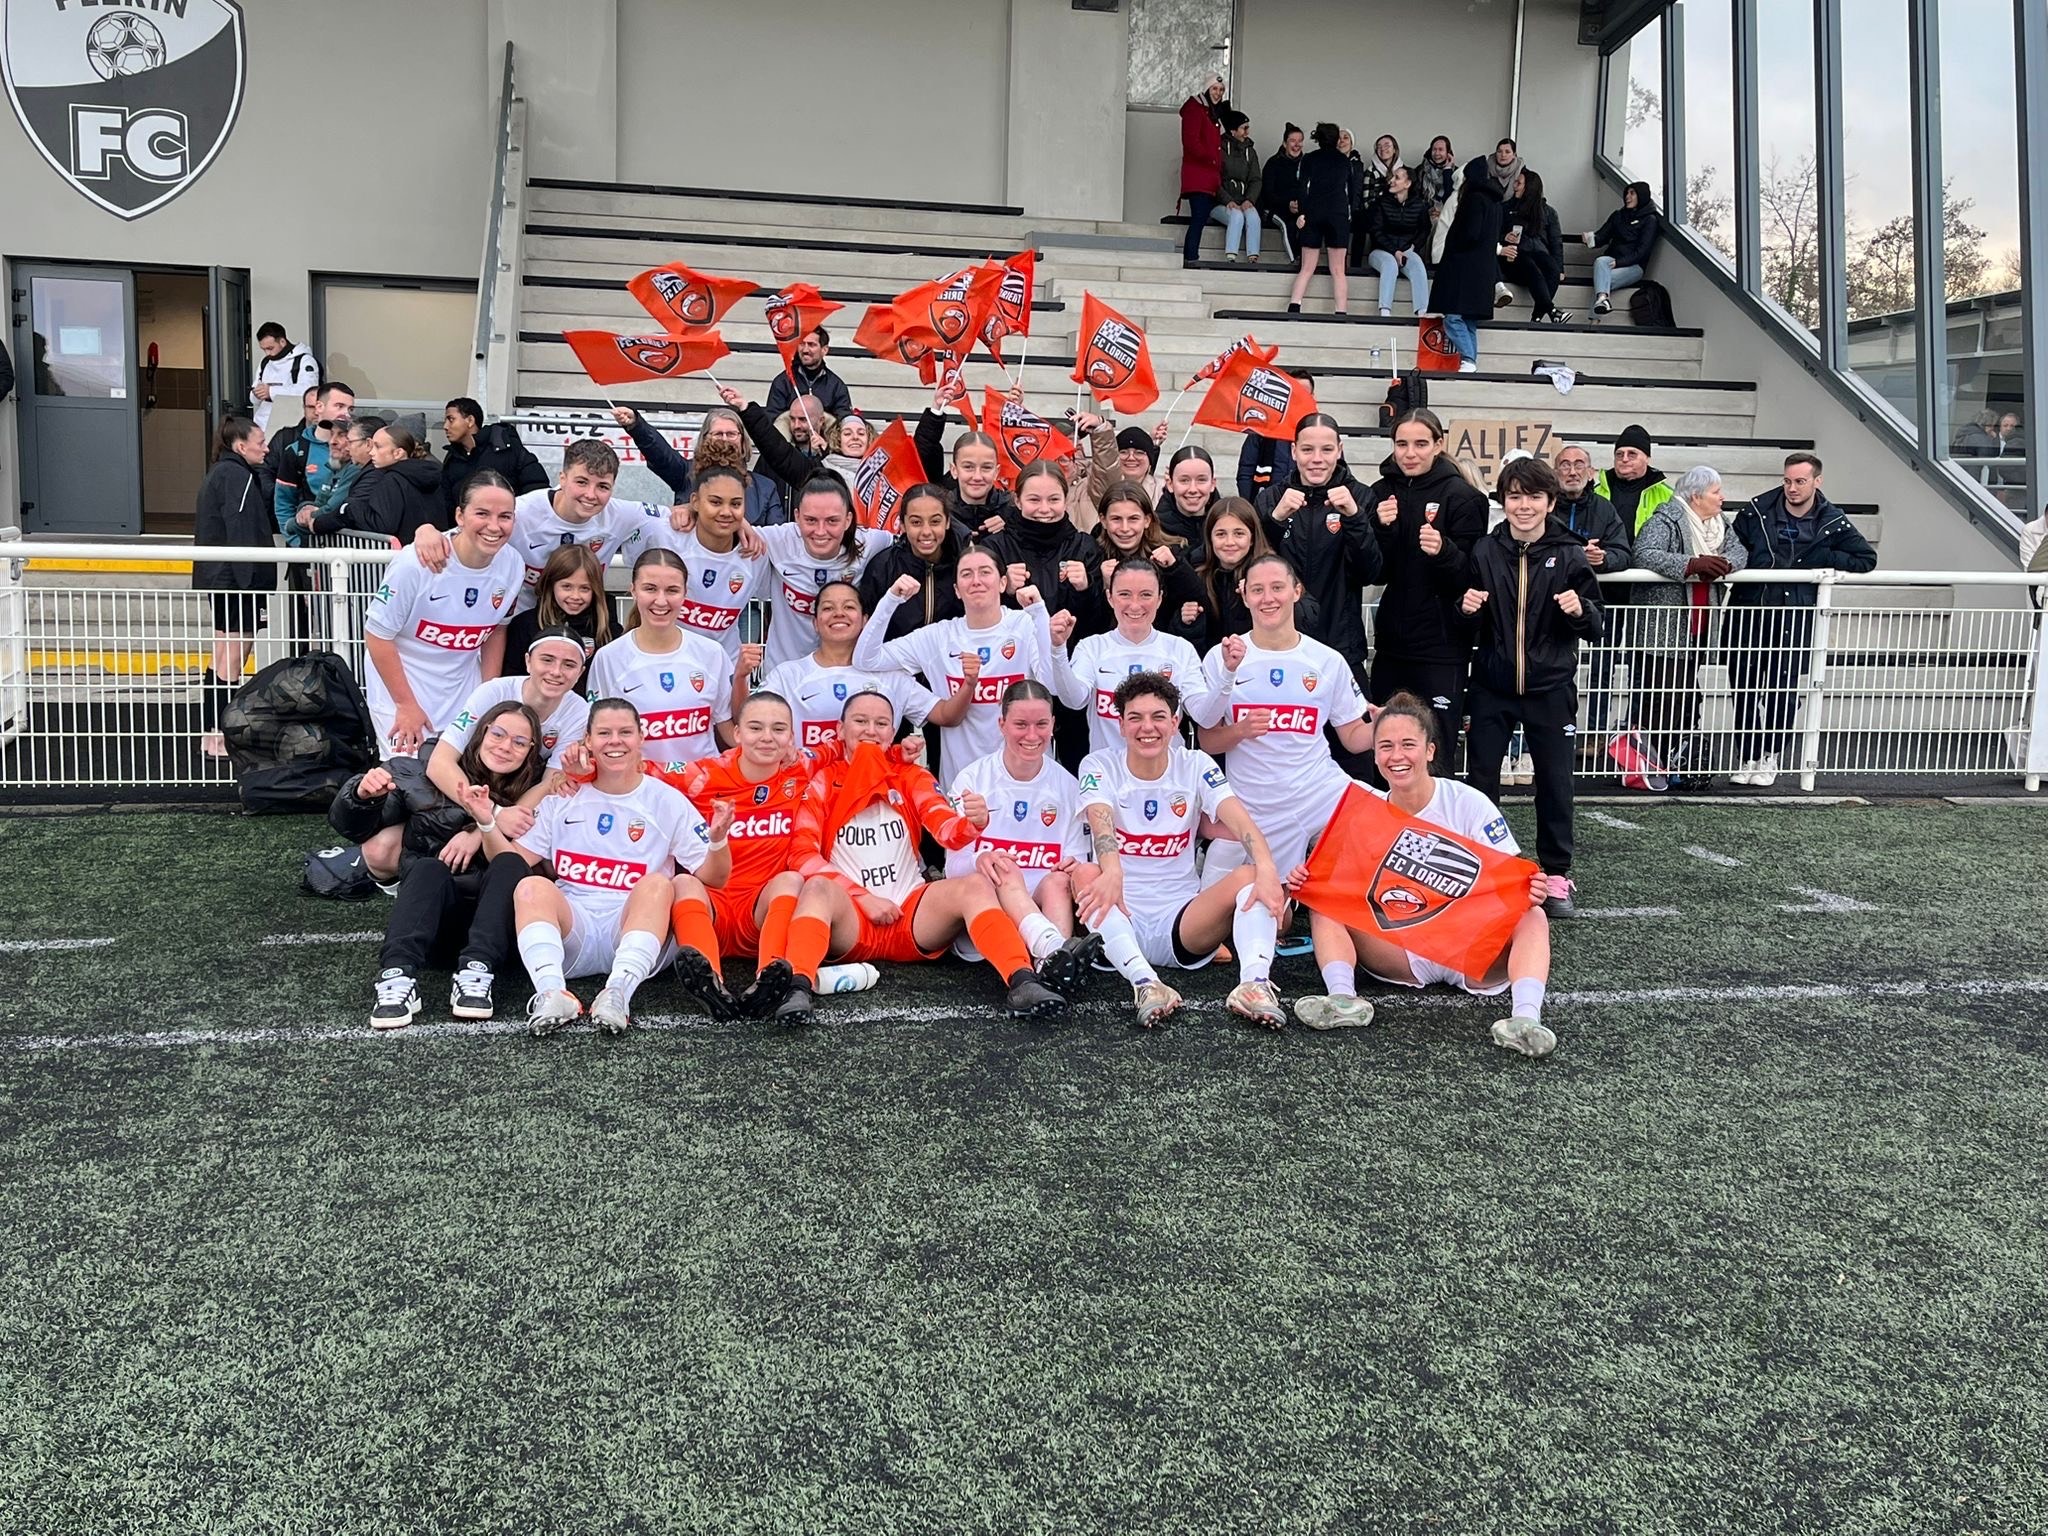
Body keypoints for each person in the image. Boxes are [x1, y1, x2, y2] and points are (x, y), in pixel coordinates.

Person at [1287, 693, 1558, 1057]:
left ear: (1430, 751)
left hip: (1469, 950)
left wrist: (1532, 887)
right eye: (1385, 746)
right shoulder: (1362, 813)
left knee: (1533, 915)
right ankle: (1342, 999)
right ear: (1375, 755)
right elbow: (1343, 888)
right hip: (1401, 950)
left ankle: (1526, 1019)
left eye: (1407, 745)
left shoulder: (1468, 802)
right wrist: (1308, 881)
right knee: (1324, 902)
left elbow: (1511, 879)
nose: (1396, 756)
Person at [781, 691, 1070, 1021]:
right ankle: (797, 987)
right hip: (851, 920)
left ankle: (1022, 980)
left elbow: (946, 830)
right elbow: (801, 855)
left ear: (892, 732)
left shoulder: (910, 775)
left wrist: (974, 824)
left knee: (974, 885)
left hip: (910, 915)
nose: (871, 730)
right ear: (840, 729)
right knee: (815, 887)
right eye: (860, 721)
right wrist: (862, 897)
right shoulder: (822, 781)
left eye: (881, 723)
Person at [1072, 672, 1291, 1029]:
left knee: (1255, 874)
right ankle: (1146, 984)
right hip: (1120, 914)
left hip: (1183, 923)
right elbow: (1101, 823)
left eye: (1159, 717)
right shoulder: (1098, 764)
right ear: (1121, 724)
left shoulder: (1196, 764)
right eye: (1136, 718)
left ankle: (1254, 983)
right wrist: (1111, 869)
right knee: (1085, 873)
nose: (1148, 728)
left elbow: (1241, 822)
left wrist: (1267, 867)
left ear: (1175, 723)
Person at [509, 699, 734, 1035]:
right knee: (530, 886)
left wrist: (718, 840)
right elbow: (511, 862)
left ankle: (618, 995)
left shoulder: (665, 800)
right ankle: (552, 992)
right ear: (587, 740)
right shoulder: (564, 795)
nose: (615, 741)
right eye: (604, 733)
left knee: (658, 883)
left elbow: (715, 877)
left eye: (625, 732)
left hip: (635, 928)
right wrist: (484, 823)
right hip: (575, 930)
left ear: (641, 738)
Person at [339, 700, 548, 1029]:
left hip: (500, 934)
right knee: (427, 866)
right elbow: (353, 828)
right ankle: (397, 976)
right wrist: (362, 796)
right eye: (498, 734)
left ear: (531, 753)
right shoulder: (420, 776)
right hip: (436, 923)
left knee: (511, 863)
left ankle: (477, 973)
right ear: (479, 735)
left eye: (520, 742)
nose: (506, 746)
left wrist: (484, 827)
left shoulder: (539, 795)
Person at [1459, 457, 1604, 918]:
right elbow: (1465, 622)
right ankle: (1486, 868)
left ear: (1550, 501)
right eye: (1515, 496)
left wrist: (1579, 608)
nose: (1524, 506)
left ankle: (1556, 873)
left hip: (1550, 686)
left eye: (1534, 496)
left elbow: (1596, 625)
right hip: (1491, 684)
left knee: (1556, 782)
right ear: (1503, 500)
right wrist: (1467, 609)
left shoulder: (1571, 552)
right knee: (1481, 782)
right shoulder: (1484, 550)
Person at [1191, 553, 1377, 884]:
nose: (1268, 598)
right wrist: (1240, 731)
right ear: (1244, 594)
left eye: (1277, 587)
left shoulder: (1327, 660)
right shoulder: (1224, 657)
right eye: (1258, 589)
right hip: (1255, 804)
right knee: (1268, 914)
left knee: (1390, 824)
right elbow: (1207, 740)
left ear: (1296, 590)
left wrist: (1387, 725)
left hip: (1320, 792)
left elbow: (1352, 736)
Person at [655, 691, 815, 1019]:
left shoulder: (801, 770)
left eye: (778, 729)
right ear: (737, 733)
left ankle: (770, 978)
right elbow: (635, 769)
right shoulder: (704, 775)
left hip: (761, 913)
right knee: (684, 882)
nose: (767, 737)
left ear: (791, 737)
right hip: (711, 909)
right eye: (756, 728)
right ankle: (709, 980)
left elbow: (846, 750)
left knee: (791, 879)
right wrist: (580, 770)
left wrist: (903, 753)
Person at [1727, 452, 1876, 787]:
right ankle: (1748, 755)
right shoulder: (1757, 510)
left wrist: (1822, 559)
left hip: (1795, 616)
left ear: (1816, 481)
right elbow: (1732, 546)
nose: (1792, 488)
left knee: (1782, 690)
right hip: (1750, 609)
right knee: (1744, 687)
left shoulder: (1832, 519)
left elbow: (1866, 559)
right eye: (1787, 480)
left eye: (1800, 481)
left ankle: (1771, 757)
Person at [853, 547, 1058, 785]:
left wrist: (1040, 613)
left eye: (985, 572)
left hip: (1027, 781)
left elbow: (1050, 684)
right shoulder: (938, 637)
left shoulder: (1025, 623)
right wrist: (891, 600)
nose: (976, 581)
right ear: (957, 591)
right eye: (966, 574)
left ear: (1003, 583)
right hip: (963, 785)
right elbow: (866, 659)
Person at [361, 471, 525, 754]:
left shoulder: (513, 565)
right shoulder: (417, 563)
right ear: (460, 516)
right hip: (404, 688)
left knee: (460, 779)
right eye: (482, 514)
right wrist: (405, 705)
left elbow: (497, 630)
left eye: (505, 517)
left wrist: (487, 693)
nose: (494, 526)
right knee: (407, 781)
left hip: (460, 689)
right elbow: (377, 636)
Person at [946, 682, 1098, 986]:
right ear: (1001, 724)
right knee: (1004, 867)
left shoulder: (1068, 786)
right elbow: (952, 869)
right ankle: (1053, 949)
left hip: (1044, 907)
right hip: (988, 918)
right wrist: (980, 858)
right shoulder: (973, 780)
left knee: (1057, 880)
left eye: (1041, 724)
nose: (1032, 735)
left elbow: (1075, 865)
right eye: (1020, 724)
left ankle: (1052, 962)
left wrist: (1074, 868)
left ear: (1053, 725)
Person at [1366, 409, 1491, 763]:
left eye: (1421, 443)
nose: (1410, 453)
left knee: (1435, 747)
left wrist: (1444, 551)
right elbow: (1376, 573)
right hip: (1391, 645)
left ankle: (1435, 819)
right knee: (1386, 742)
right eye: (1402, 444)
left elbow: (1472, 577)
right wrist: (1382, 531)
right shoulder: (1380, 493)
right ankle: (1387, 818)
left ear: (1439, 444)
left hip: (1441, 646)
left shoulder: (1463, 497)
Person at [416, 437, 668, 612]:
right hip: (519, 625)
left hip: (579, 625)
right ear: (562, 478)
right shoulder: (523, 511)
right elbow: (470, 531)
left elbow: (673, 515)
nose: (591, 494)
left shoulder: (621, 513)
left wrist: (686, 514)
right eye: (581, 482)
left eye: (602, 486)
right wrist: (426, 531)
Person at [1253, 414, 1384, 717]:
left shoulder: (1361, 496)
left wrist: (1353, 517)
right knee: (1286, 742)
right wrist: (1275, 520)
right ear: (1294, 451)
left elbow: (1370, 572)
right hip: (1281, 645)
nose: (1317, 459)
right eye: (1308, 450)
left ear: (1339, 450)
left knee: (1353, 748)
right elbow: (1257, 563)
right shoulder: (1272, 497)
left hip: (1342, 645)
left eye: (1326, 450)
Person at [1629, 464, 1749, 785]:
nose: (1722, 498)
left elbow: (1739, 552)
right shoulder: (1665, 519)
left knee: (1687, 692)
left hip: (1698, 622)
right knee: (1662, 694)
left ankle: (1678, 759)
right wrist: (1692, 564)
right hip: (1663, 626)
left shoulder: (1720, 524)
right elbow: (1643, 554)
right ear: (1696, 496)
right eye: (1716, 492)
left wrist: (1725, 563)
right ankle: (1654, 762)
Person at [586, 547, 740, 768]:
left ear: (685, 593)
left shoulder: (712, 653)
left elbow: (727, 728)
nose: (661, 601)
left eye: (672, 590)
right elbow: (598, 734)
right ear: (633, 590)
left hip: (702, 787)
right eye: (650, 589)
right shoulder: (609, 658)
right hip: (641, 786)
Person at [758, 579, 947, 751]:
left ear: (865, 620)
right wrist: (742, 676)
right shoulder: (787, 675)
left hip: (869, 787)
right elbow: (751, 722)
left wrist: (970, 682)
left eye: (848, 607)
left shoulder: (891, 676)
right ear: (815, 623)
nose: (839, 614)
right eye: (827, 608)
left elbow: (945, 714)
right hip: (806, 786)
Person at [1050, 555, 1208, 756]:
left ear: (1159, 598)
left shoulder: (1180, 649)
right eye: (1125, 594)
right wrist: (1057, 649)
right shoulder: (1092, 647)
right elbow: (1073, 700)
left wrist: (1227, 675)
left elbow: (1204, 716)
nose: (1135, 605)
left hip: (1167, 777)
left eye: (1145, 595)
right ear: (1109, 597)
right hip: (1109, 775)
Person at [191, 418, 275, 759]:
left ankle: (212, 734)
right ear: (241, 446)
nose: (266, 447)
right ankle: (221, 735)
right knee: (232, 657)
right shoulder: (237, 476)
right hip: (236, 580)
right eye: (261, 441)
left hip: (221, 577)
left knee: (222, 655)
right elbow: (240, 528)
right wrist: (247, 581)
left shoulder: (222, 473)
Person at [755, 475, 896, 670]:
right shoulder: (780, 539)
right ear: (796, 517)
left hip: (845, 672)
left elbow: (909, 540)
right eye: (811, 520)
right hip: (784, 672)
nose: (821, 531)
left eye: (832, 521)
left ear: (848, 520)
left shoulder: (869, 542)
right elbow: (733, 530)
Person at [640, 462, 770, 672]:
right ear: (695, 502)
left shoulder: (756, 549)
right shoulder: (666, 534)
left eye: (736, 504)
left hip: (723, 674)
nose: (726, 512)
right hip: (664, 666)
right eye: (715, 502)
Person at [430, 627, 591, 788]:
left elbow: (550, 783)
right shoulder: (493, 692)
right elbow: (440, 761)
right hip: (470, 781)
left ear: (580, 673)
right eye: (547, 660)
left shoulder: (579, 712)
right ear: (528, 661)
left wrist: (509, 812)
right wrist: (490, 810)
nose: (556, 672)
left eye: (569, 665)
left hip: (521, 790)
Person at [615, 404, 788, 527]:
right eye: (718, 434)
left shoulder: (765, 487)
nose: (725, 439)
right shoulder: (687, 474)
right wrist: (637, 426)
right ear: (704, 439)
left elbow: (775, 537)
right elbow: (661, 454)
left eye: (732, 434)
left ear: (743, 442)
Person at [981, 462, 1099, 630]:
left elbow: (1099, 623)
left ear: (1065, 500)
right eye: (1034, 500)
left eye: (1054, 499)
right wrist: (1003, 589)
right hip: (1013, 653)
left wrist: (1086, 589)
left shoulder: (1084, 548)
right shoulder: (994, 548)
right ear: (1018, 500)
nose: (1044, 509)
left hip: (1070, 654)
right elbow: (976, 615)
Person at [1082, 482, 1203, 642]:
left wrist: (1176, 568)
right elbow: (1088, 624)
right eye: (1116, 519)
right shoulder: (1092, 555)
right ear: (1103, 521)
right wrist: (1103, 586)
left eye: (1133, 519)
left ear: (1147, 520)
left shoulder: (1170, 553)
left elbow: (1199, 599)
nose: (1125, 528)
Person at [858, 483, 968, 640]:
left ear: (948, 522)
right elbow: (868, 628)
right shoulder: (882, 567)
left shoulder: (964, 565)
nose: (926, 532)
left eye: (935, 521)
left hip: (950, 659)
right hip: (897, 661)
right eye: (916, 522)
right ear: (902, 524)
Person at [1428, 156, 1508, 371]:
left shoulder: (1473, 199)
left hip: (1463, 267)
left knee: (1452, 317)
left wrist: (1453, 244)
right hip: (1482, 269)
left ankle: (1468, 360)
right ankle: (1470, 361)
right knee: (1469, 319)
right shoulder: (1495, 202)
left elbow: (1468, 234)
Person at [313, 422, 446, 542]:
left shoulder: (391, 479)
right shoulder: (431, 476)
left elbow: (383, 524)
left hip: (400, 559)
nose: (371, 452)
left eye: (378, 447)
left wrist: (352, 508)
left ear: (398, 453)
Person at [912, 387, 1017, 537]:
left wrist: (1013, 522)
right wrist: (936, 409)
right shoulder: (939, 510)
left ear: (997, 472)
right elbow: (924, 452)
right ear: (954, 470)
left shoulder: (1014, 508)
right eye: (968, 467)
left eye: (986, 467)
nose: (977, 476)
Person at [500, 543, 616, 674]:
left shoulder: (608, 629)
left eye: (584, 588)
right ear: (551, 584)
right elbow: (511, 676)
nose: (575, 596)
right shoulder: (524, 625)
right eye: (567, 586)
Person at [273, 381, 354, 538]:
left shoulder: (359, 449)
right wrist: (295, 541)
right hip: (307, 547)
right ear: (319, 407)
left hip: (347, 546)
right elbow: (283, 502)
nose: (346, 414)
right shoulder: (296, 451)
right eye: (339, 406)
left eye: (350, 409)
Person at [1190, 498, 1273, 651]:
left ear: (1252, 538)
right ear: (1209, 538)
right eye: (1221, 534)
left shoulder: (1272, 571)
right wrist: (1185, 622)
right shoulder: (1197, 575)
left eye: (1239, 533)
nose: (1229, 542)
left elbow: (1306, 616)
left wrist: (1264, 596)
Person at [440, 398, 547, 515]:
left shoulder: (504, 446)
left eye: (451, 419)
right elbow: (448, 505)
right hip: (469, 530)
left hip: (511, 527)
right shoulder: (452, 459)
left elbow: (536, 486)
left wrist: (517, 518)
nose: (445, 426)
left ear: (470, 420)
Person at [1287, 123, 1352, 316]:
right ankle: (1341, 311)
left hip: (1313, 213)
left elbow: (1302, 187)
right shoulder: (1344, 161)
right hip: (1338, 214)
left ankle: (1294, 306)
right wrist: (1349, 214)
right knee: (1338, 270)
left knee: (1307, 267)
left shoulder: (1309, 159)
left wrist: (1302, 213)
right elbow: (1352, 190)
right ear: (1336, 140)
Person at [1497, 168, 1572, 323]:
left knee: (1552, 269)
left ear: (1529, 187)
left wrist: (1560, 268)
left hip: (1539, 254)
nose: (1514, 186)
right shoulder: (1505, 208)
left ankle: (1537, 316)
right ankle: (1551, 310)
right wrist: (1505, 237)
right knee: (1531, 266)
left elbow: (1556, 241)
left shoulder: (1548, 212)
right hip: (1513, 256)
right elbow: (1492, 235)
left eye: (1519, 183)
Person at [1364, 164, 1432, 318]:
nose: (1392, 181)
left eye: (1397, 178)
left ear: (1408, 184)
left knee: (1418, 266)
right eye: (1393, 177)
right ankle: (1385, 312)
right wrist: (1395, 251)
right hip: (1381, 251)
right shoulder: (1382, 202)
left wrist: (1413, 247)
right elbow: (1376, 232)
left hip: (1407, 249)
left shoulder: (1419, 205)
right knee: (1390, 265)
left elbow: (1425, 229)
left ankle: (1422, 312)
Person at [1584, 181, 1661, 315]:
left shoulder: (1650, 220)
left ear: (1641, 196)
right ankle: (1603, 300)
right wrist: (1590, 239)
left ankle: (1593, 324)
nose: (1627, 197)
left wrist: (1619, 263)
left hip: (1634, 266)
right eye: (1627, 193)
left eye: (1632, 193)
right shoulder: (1618, 215)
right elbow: (1602, 237)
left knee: (1601, 280)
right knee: (1601, 263)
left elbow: (1642, 252)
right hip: (1611, 262)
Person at [1553, 443, 1633, 571]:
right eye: (1565, 465)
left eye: (1579, 465)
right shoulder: (1545, 507)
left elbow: (1622, 554)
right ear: (1555, 474)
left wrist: (1601, 559)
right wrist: (1576, 553)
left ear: (1590, 473)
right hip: (1550, 588)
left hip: (1591, 588)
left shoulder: (1604, 508)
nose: (1572, 472)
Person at [1178, 74, 1228, 266]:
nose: (1218, 93)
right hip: (1198, 175)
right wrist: (1212, 160)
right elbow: (1191, 143)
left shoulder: (1211, 112)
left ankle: (1192, 256)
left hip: (1207, 177)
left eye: (1221, 90)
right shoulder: (1195, 110)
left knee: (1201, 217)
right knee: (1198, 218)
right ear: (1207, 89)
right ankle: (1191, 257)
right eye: (1215, 89)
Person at [763, 326, 853, 420]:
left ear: (824, 350)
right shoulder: (783, 382)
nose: (805, 350)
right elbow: (773, 420)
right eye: (802, 344)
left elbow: (843, 421)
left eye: (811, 344)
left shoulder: (836, 386)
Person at [249, 320, 318, 432]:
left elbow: (308, 392)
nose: (267, 353)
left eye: (270, 348)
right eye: (264, 349)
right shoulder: (265, 362)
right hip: (262, 424)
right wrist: (257, 393)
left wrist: (271, 392)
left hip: (290, 424)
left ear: (282, 341)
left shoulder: (303, 360)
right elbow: (254, 398)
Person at [1216, 111, 1264, 262]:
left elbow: (1256, 179)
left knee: (1253, 217)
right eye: (1244, 128)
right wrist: (1227, 200)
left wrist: (1250, 199)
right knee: (1236, 216)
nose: (1247, 132)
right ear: (1233, 130)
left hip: (1243, 200)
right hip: (1220, 203)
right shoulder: (1219, 148)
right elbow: (1214, 179)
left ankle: (1253, 257)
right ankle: (1231, 256)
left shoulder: (1250, 151)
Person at [1158, 444, 1220, 551]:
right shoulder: (1154, 530)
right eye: (1184, 480)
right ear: (1170, 484)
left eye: (1201, 480)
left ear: (1213, 484)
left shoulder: (1228, 525)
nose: (1192, 489)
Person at [1258, 123, 1305, 263]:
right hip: (1274, 209)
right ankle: (1295, 261)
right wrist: (1287, 204)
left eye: (1300, 141)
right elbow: (1268, 193)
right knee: (1288, 224)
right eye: (1292, 141)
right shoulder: (1273, 163)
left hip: (1299, 208)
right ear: (1284, 143)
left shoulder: (1307, 163)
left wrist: (1300, 204)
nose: (1296, 145)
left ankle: (1306, 260)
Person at [1417, 135, 1457, 215]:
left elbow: (1450, 197)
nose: (1437, 153)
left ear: (1448, 153)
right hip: (1425, 215)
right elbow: (1416, 197)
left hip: (1447, 215)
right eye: (1434, 149)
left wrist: (1448, 169)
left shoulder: (1455, 172)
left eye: (1441, 150)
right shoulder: (1421, 170)